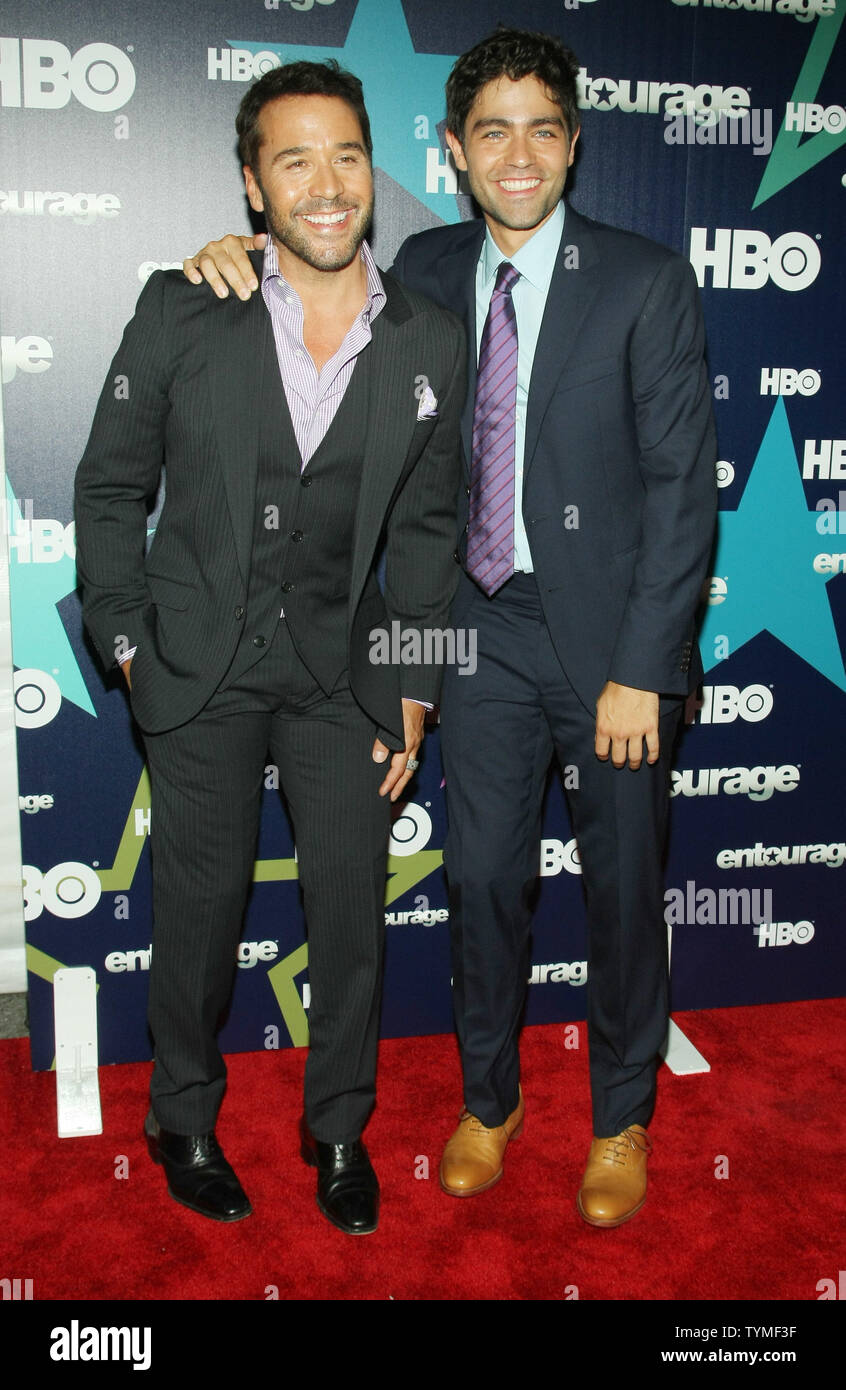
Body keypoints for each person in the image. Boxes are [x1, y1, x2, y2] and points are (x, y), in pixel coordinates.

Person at [182, 27, 717, 1229]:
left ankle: (621, 1114)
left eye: (542, 130)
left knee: (627, 889)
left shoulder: (644, 280)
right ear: (457, 151)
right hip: (469, 630)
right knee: (480, 880)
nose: (517, 156)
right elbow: (311, 321)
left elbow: (684, 492)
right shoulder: (417, 269)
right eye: (492, 131)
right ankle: (490, 1100)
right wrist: (230, 251)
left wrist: (645, 671)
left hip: (610, 646)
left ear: (573, 145)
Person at [74, 60, 464, 1236]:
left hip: (345, 675)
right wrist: (131, 647)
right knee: (197, 910)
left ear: (375, 172)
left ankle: (338, 1126)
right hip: (198, 670)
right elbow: (107, 489)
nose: (326, 182)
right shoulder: (185, 305)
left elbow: (432, 531)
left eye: (346, 153)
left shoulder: (433, 338)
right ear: (255, 183)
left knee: (352, 914)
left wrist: (414, 685)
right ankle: (180, 1118)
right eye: (293, 158)